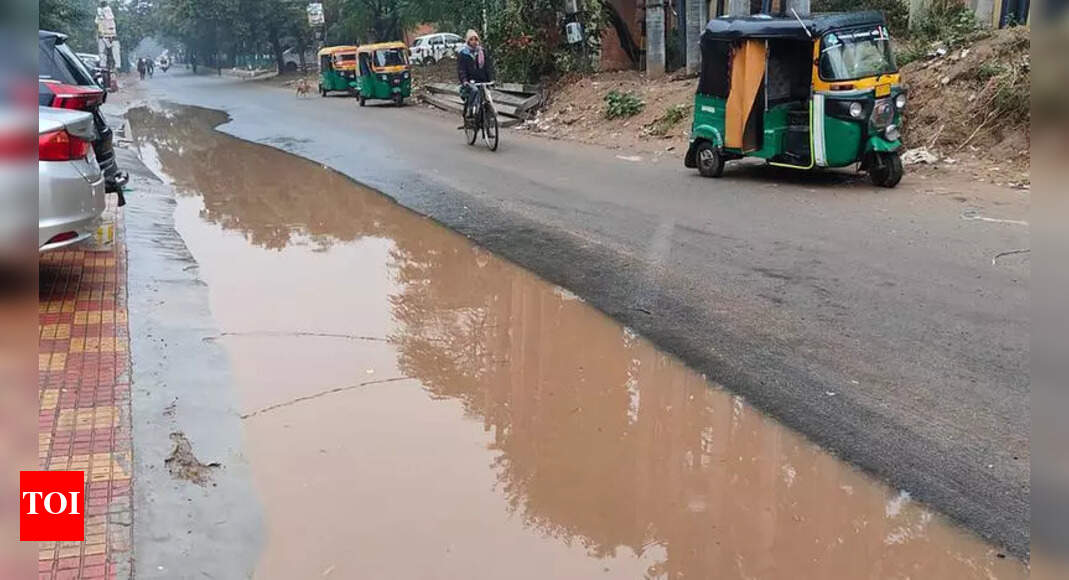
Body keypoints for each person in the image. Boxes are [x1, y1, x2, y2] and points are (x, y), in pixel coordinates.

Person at [456, 29, 494, 128]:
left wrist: (491, 79)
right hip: (470, 81)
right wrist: (464, 81)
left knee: (487, 101)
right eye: (471, 39)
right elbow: (461, 69)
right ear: (468, 41)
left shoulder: (482, 52)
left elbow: (488, 67)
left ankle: (488, 126)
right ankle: (470, 111)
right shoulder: (463, 54)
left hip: (483, 80)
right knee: (474, 91)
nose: (474, 41)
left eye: (476, 39)